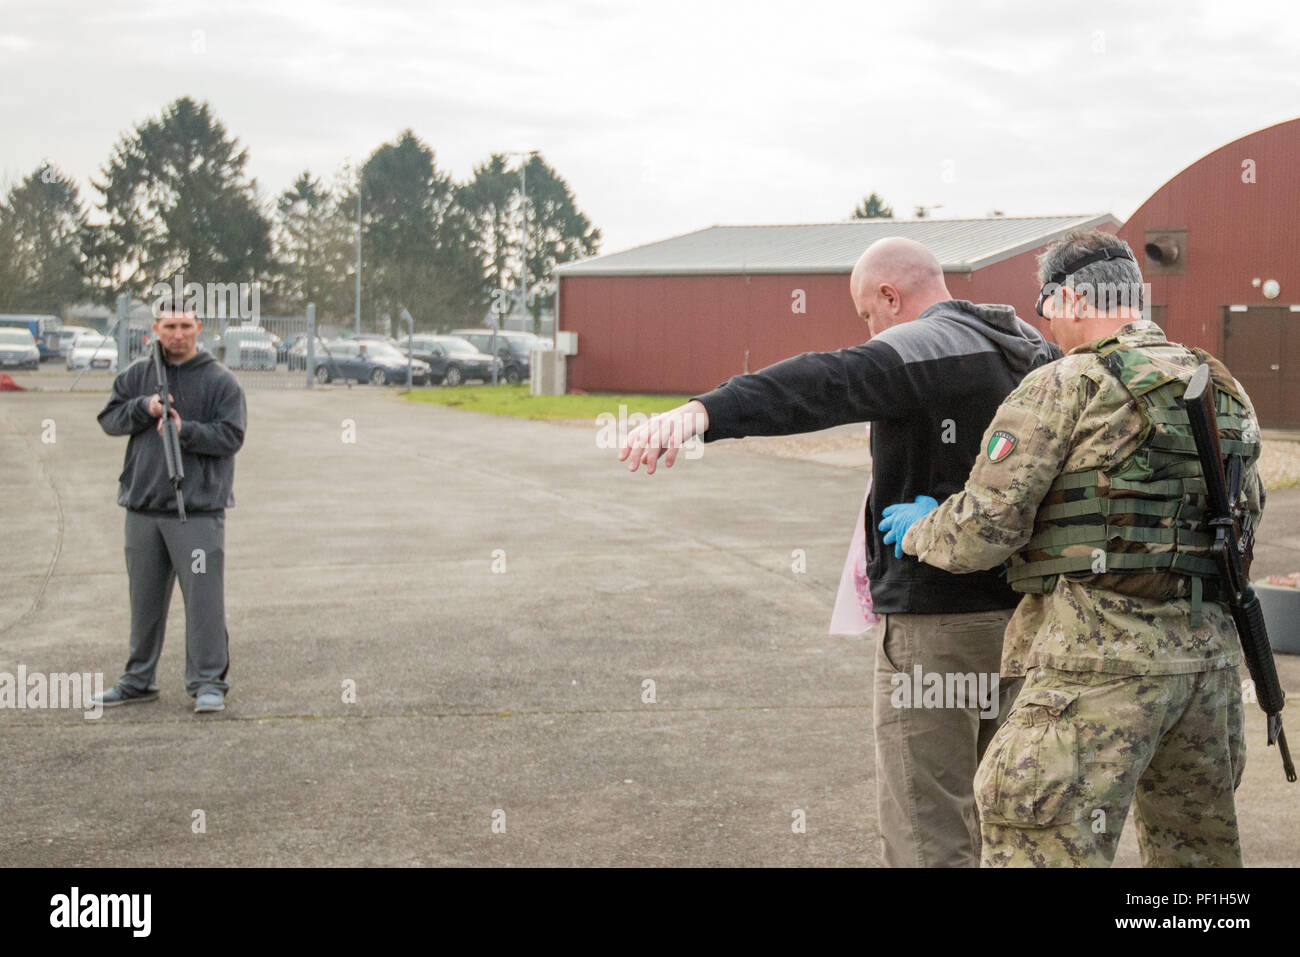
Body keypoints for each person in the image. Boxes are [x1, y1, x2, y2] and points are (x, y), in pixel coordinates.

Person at [619, 237, 1061, 866]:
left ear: (890, 295)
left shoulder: (928, 344)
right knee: (1002, 816)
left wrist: (705, 412)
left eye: (867, 315)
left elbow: (829, 380)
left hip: (938, 623)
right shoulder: (1031, 354)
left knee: (928, 822)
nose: (870, 330)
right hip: (1025, 622)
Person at [887, 227, 1263, 866]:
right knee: (1198, 862)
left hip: (1093, 670)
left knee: (1039, 845)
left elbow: (983, 532)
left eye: (1044, 308)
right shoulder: (1220, 385)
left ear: (1070, 300)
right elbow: (1244, 518)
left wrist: (925, 525)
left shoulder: (1065, 385)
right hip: (1207, 671)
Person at [93, 310, 247, 714]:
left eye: (185, 326)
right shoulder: (138, 376)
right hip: (143, 506)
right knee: (143, 602)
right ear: (155, 331)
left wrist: (185, 431)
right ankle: (137, 681)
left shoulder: (220, 381)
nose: (177, 334)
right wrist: (145, 407)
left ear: (198, 329)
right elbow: (109, 418)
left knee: (203, 601)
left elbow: (232, 436)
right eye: (169, 327)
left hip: (195, 511)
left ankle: (208, 683)